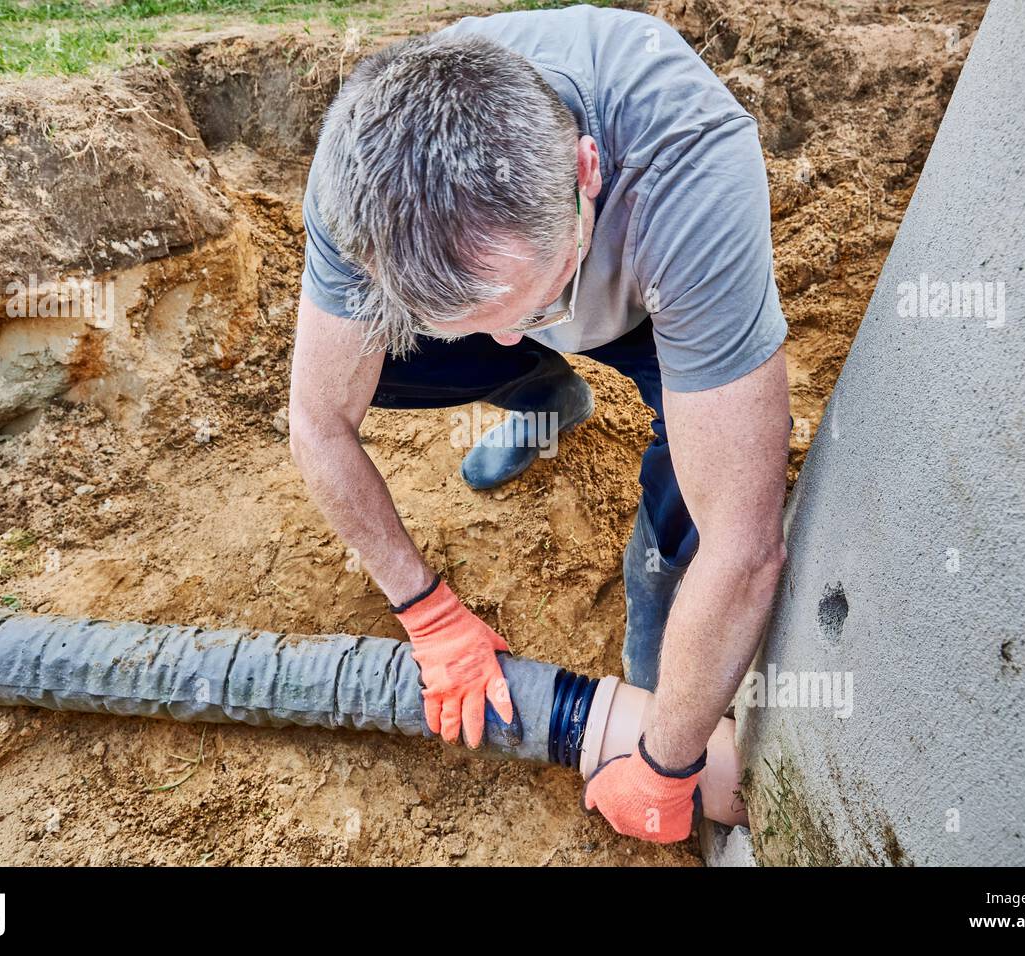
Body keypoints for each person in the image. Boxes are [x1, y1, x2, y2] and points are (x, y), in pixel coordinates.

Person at [288, 5, 789, 844]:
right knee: (374, 360)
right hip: (521, 277)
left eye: (541, 302)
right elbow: (316, 420)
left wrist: (665, 762)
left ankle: (661, 611)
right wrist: (426, 612)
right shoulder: (362, 185)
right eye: (477, 323)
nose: (514, 334)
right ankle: (545, 397)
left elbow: (749, 547)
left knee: (697, 514)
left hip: (647, 303)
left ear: (586, 167)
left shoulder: (690, 175)